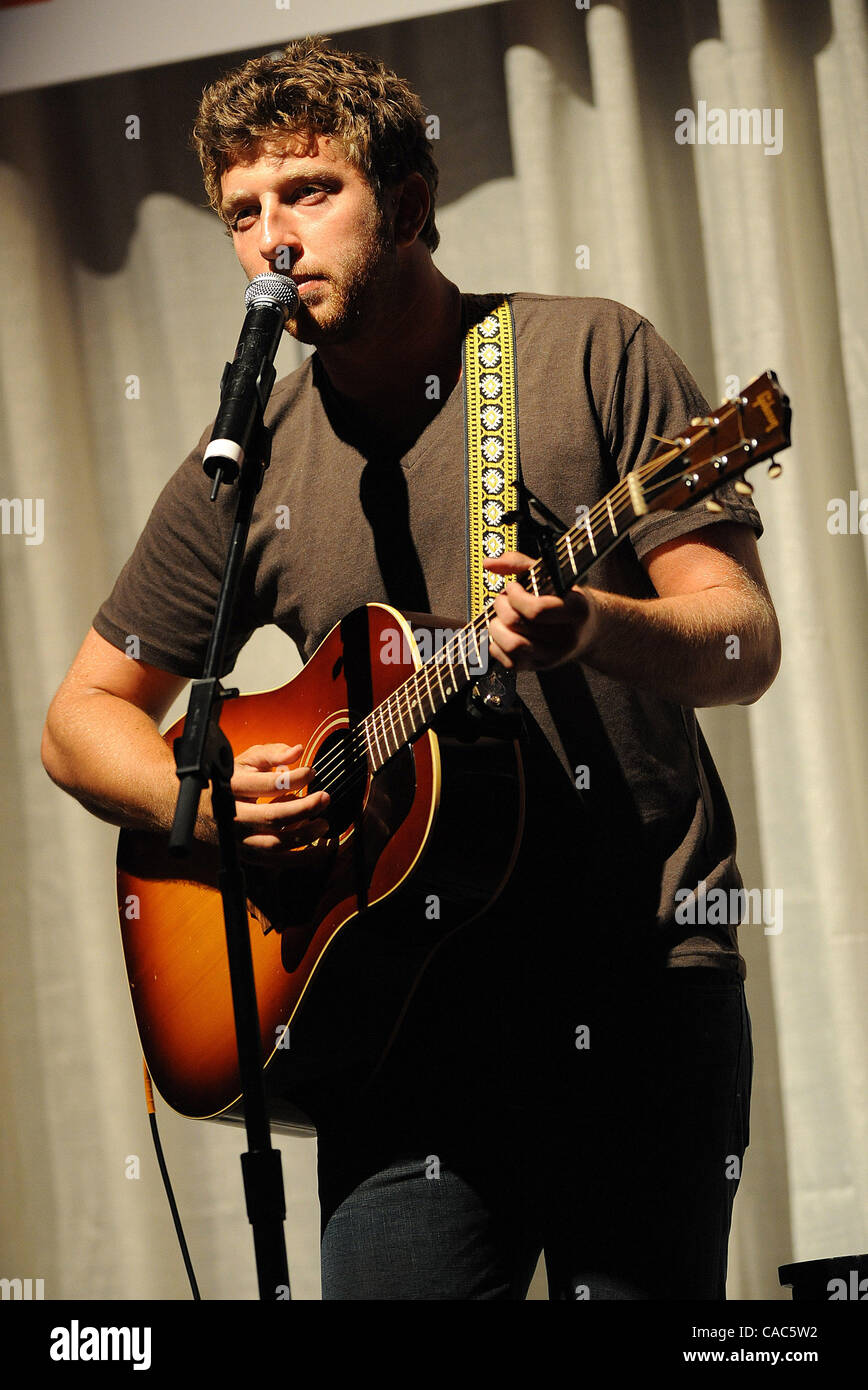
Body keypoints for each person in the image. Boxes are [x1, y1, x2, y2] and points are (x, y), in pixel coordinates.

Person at [42, 35, 780, 1300]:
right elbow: (78, 719)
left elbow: (740, 638)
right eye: (242, 212)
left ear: (414, 202)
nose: (272, 237)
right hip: (401, 1028)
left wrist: (592, 624)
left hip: (634, 984)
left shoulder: (583, 355)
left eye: (309, 191)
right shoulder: (248, 456)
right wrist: (206, 804)